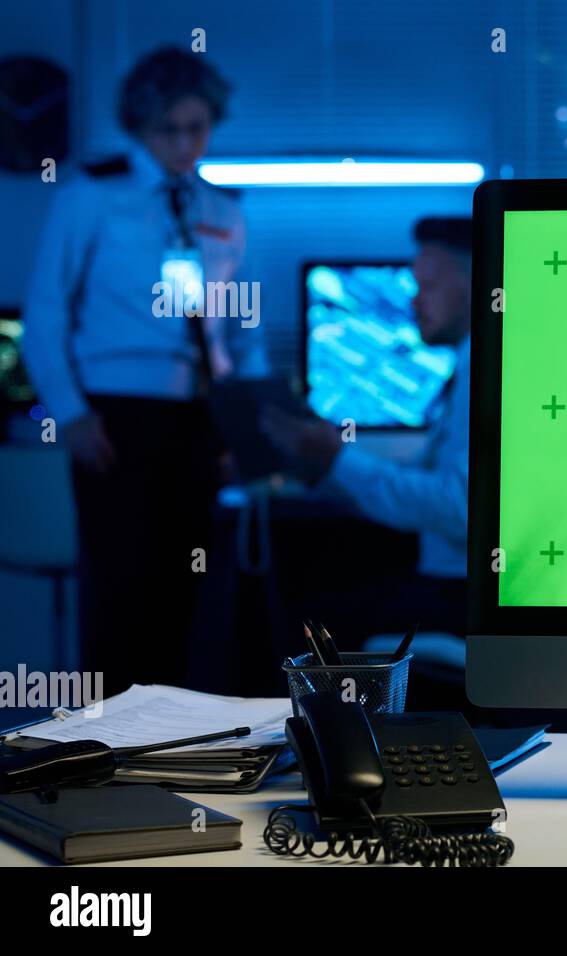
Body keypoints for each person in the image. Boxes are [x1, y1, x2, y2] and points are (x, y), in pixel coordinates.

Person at [22, 47, 266, 692]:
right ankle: (104, 759)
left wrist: (244, 432)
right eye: (169, 130)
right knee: (119, 595)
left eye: (197, 127)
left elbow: (244, 333)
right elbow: (44, 315)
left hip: (198, 418)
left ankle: (174, 753)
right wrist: (70, 416)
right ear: (140, 127)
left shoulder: (223, 210)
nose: (185, 143)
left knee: (190, 598)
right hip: (115, 415)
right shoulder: (91, 196)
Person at [261, 218, 472, 641]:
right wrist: (323, 466)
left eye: (428, 285)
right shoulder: (467, 368)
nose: (414, 301)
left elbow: (458, 509)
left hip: (461, 596)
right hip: (448, 583)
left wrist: (337, 458)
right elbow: (426, 481)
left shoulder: (488, 375)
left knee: (299, 618)